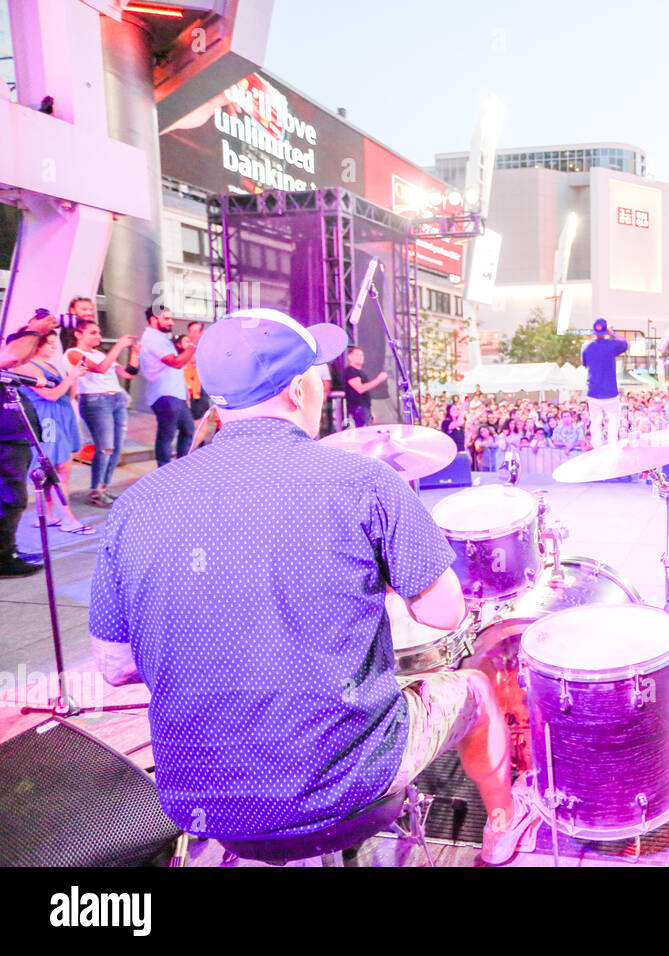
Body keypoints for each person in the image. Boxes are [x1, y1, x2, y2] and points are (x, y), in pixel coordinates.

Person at [89, 308, 538, 864]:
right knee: (472, 688)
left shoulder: (136, 504)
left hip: (202, 796)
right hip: (345, 785)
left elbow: (114, 666)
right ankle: (502, 823)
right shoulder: (364, 480)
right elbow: (445, 613)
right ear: (300, 389)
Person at [0, 310, 61, 576]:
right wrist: (34, 328)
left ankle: (6, 550)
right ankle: (3, 558)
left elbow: (16, 355)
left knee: (10, 498)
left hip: (11, 438)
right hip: (5, 440)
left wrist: (32, 329)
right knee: (9, 498)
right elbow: (12, 356)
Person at [14, 331, 93, 534]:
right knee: (55, 471)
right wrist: (71, 377)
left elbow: (66, 393)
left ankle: (50, 516)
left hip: (60, 416)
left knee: (60, 469)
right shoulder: (25, 366)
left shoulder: (48, 365)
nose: (53, 347)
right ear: (36, 344)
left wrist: (74, 377)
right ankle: (68, 519)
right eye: (48, 343)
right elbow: (50, 395)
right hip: (47, 420)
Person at [73, 318, 138, 506]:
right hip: (96, 401)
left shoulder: (101, 354)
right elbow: (100, 370)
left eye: (99, 332)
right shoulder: (73, 353)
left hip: (116, 399)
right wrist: (118, 345)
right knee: (105, 447)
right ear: (78, 334)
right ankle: (96, 491)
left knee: (116, 448)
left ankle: (104, 487)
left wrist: (134, 354)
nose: (98, 336)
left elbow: (128, 373)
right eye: (93, 332)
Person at [139, 305, 197, 466]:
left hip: (174, 394)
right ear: (153, 319)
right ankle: (164, 472)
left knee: (188, 430)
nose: (171, 322)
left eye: (171, 318)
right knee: (167, 435)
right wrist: (193, 343)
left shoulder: (161, 338)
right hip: (164, 394)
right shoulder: (152, 339)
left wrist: (185, 395)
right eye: (166, 318)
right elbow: (175, 363)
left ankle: (179, 469)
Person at [582, 318, 628, 447]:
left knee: (595, 421)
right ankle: (612, 446)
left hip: (593, 391)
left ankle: (596, 447)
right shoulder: (611, 345)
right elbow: (627, 343)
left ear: (594, 332)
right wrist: (612, 333)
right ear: (605, 331)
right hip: (610, 392)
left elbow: (585, 364)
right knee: (613, 420)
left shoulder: (587, 348)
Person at [343, 346, 387, 428]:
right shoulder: (350, 371)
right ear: (350, 357)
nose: (360, 357)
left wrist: (370, 410)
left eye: (362, 355)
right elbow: (360, 389)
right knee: (363, 432)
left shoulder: (359, 372)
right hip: (358, 408)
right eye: (357, 355)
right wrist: (378, 379)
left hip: (364, 407)